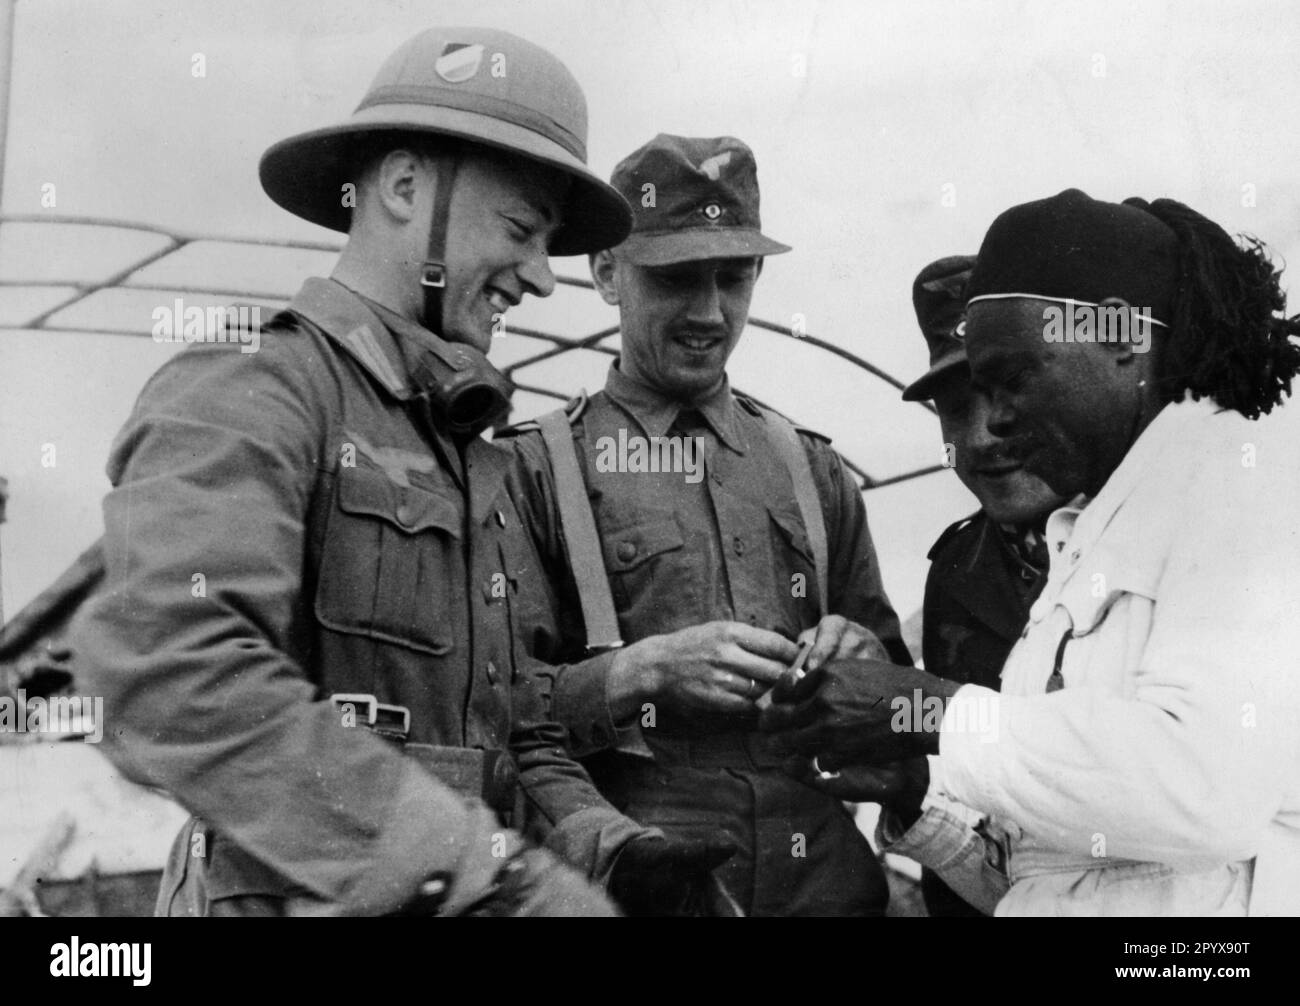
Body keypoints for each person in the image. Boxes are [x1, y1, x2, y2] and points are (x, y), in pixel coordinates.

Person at [69, 26, 728, 918]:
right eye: (522, 229)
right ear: (406, 186)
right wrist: (477, 874)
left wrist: (614, 854)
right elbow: (164, 675)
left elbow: (512, 732)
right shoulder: (255, 386)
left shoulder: (471, 453)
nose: (539, 278)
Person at [761, 188, 1300, 916]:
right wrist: (917, 791)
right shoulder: (1092, 530)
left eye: (1013, 379)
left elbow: (1205, 785)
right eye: (975, 393)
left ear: (1121, 335)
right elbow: (1057, 877)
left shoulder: (1238, 483)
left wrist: (926, 711)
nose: (998, 420)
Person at [503, 133, 911, 916]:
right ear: (606, 273)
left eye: (734, 277)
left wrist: (864, 663)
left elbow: (892, 686)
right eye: (678, 278)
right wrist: (642, 672)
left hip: (824, 882)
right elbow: (496, 710)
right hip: (640, 875)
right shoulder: (533, 470)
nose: (709, 311)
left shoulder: (811, 467)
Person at [900, 256, 1064, 915]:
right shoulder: (956, 572)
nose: (980, 437)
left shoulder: (1154, 540)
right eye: (954, 407)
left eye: (1004, 393)